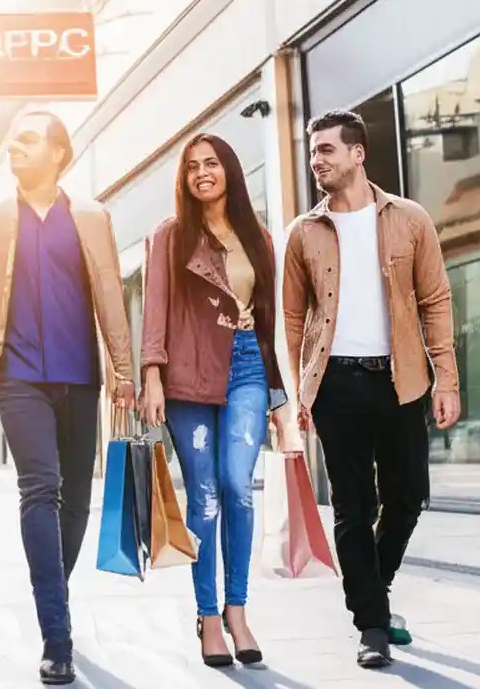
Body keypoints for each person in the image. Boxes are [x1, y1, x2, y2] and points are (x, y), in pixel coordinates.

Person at [0, 110, 135, 686]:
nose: (14, 151)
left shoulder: (93, 217)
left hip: (81, 376)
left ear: (58, 151)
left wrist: (123, 369)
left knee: (76, 500)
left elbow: (110, 295)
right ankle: (57, 635)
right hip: (17, 377)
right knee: (39, 490)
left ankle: (54, 591)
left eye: (26, 140)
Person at [283, 110, 460, 669]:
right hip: (335, 384)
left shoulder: (410, 219)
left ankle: (371, 591)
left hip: (401, 378)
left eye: (328, 150)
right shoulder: (303, 232)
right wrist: (294, 397)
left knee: (408, 495)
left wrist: (446, 378)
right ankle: (372, 626)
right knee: (353, 506)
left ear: (358, 154)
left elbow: (435, 300)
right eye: (313, 152)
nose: (318, 160)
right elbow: (289, 320)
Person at [140, 134, 299, 668]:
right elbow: (155, 311)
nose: (202, 173)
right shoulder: (170, 237)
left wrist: (279, 398)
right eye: (191, 167)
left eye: (211, 163)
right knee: (204, 495)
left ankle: (238, 610)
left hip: (247, 365)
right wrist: (151, 376)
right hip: (187, 377)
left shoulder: (260, 239)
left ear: (230, 169)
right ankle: (208, 617)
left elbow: (272, 323)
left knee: (238, 485)